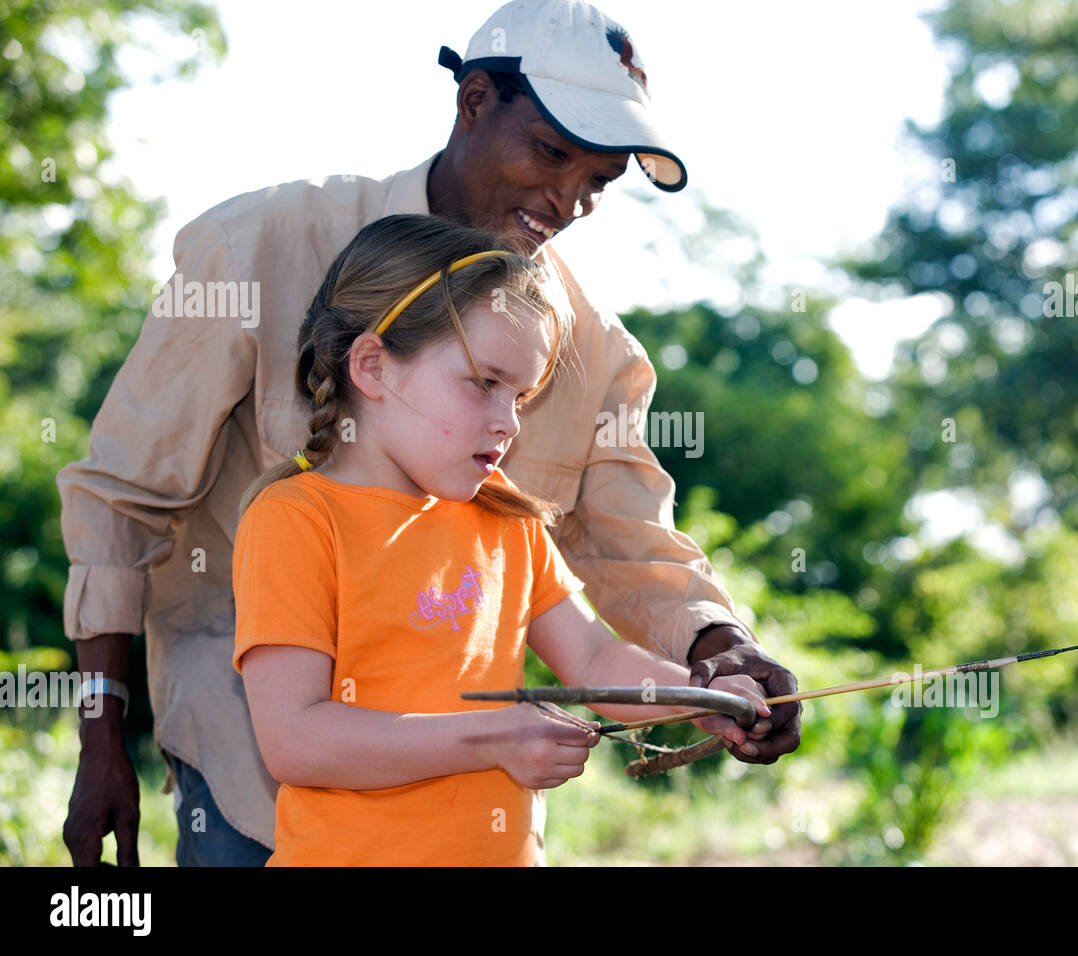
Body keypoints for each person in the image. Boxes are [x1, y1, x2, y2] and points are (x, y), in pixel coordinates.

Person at [59, 0, 800, 868]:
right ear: (475, 101)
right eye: (553, 153)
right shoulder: (252, 250)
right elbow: (120, 500)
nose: (569, 199)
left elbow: (628, 551)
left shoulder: (592, 350)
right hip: (245, 776)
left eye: (599, 181)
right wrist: (99, 738)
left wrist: (720, 665)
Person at [232, 213, 768, 865]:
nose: (509, 422)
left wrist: (694, 695)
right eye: (485, 383)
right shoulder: (298, 518)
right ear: (373, 367)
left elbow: (596, 664)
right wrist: (491, 738)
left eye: (522, 395)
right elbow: (296, 738)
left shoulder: (508, 524)